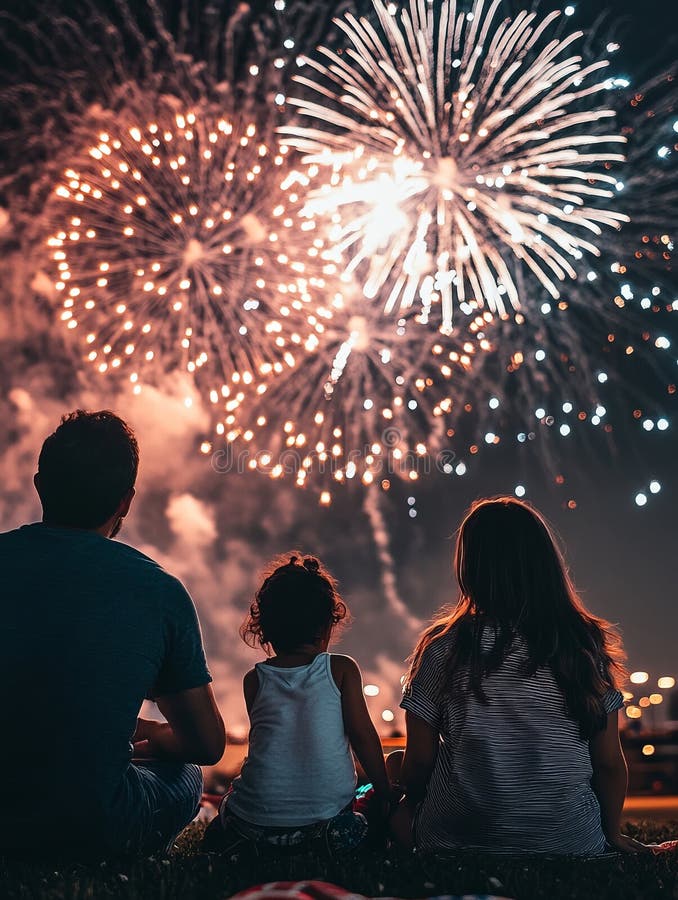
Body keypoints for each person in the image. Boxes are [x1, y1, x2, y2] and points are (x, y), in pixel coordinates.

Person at [0, 410, 225, 856]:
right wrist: (147, 734)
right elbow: (207, 744)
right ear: (125, 501)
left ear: (40, 485)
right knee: (186, 775)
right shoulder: (159, 591)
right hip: (93, 824)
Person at [390, 496, 647, 855]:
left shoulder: (443, 647)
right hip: (571, 841)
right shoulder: (582, 645)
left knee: (392, 776)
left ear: (471, 568)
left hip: (457, 839)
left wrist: (406, 806)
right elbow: (607, 763)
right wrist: (612, 834)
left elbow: (419, 761)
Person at [204, 553, 390, 854]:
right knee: (366, 824)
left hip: (253, 827)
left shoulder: (255, 680)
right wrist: (383, 791)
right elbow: (363, 736)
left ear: (265, 629)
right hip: (328, 828)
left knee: (227, 813)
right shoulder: (341, 670)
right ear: (328, 625)